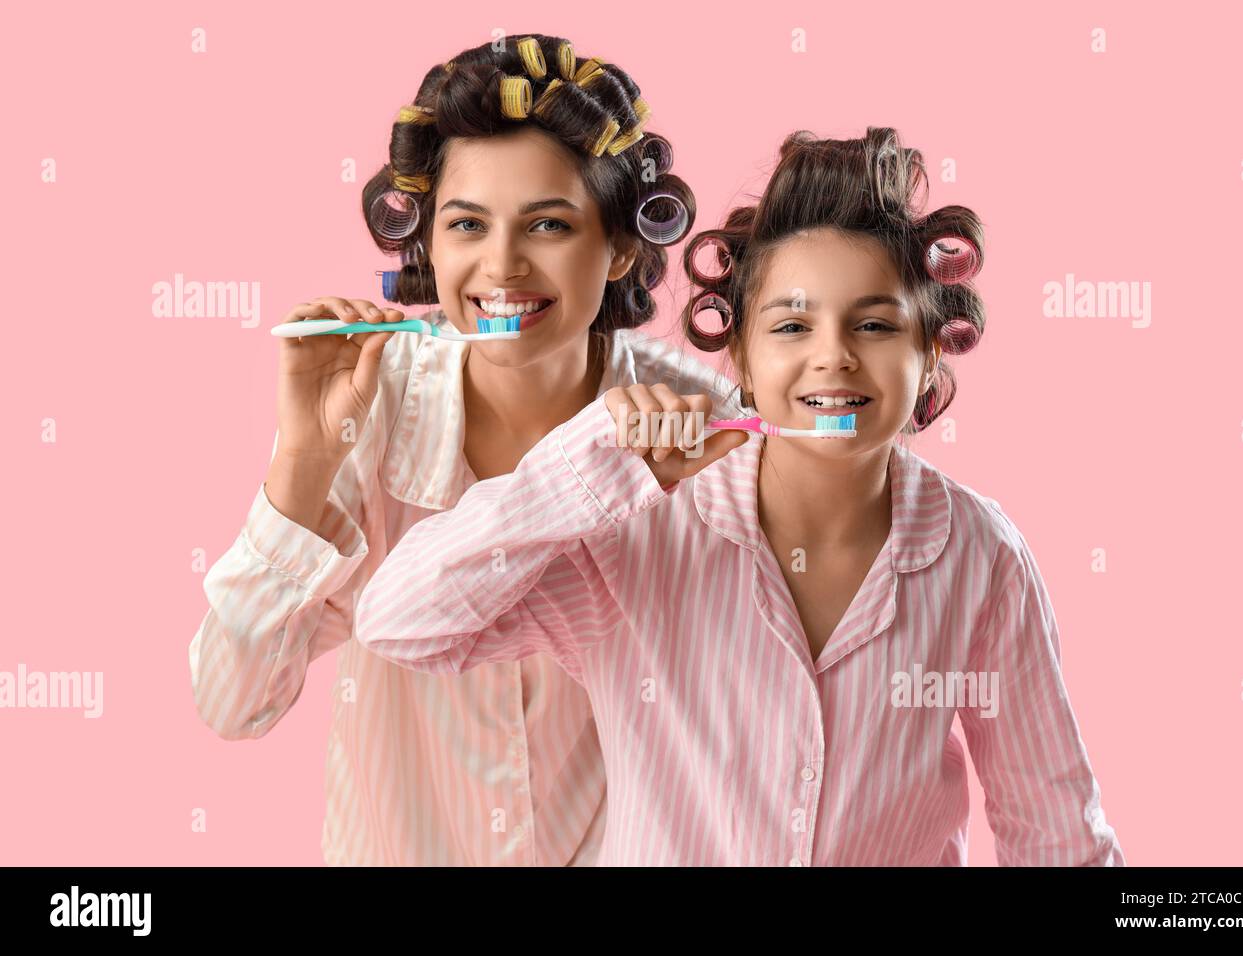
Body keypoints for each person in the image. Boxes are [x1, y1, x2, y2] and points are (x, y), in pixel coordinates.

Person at [354, 127, 1126, 866]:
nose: (833, 357)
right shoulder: (641, 529)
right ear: (743, 362)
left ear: (929, 356)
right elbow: (400, 624)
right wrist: (586, 467)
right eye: (792, 325)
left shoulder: (981, 556)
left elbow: (1055, 834)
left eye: (875, 325)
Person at [189, 34, 738, 865]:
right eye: (467, 225)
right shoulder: (374, 407)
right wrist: (305, 457)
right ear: (428, 247)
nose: (501, 266)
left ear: (622, 245)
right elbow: (233, 705)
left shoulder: (700, 427)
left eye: (549, 224)